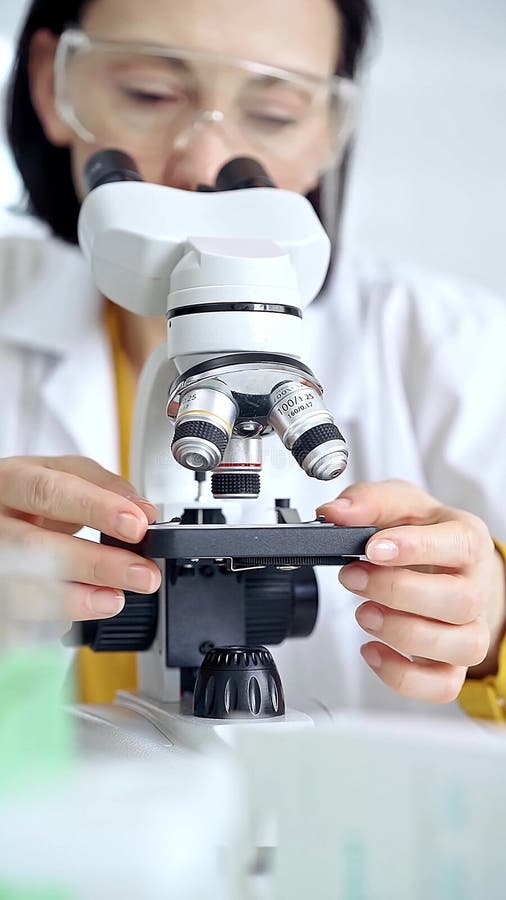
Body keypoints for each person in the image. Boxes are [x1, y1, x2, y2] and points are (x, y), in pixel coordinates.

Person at [2, 0, 506, 718]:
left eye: (272, 113)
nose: (204, 166)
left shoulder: (457, 345)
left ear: (329, 130)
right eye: (150, 93)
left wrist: (493, 626)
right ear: (54, 83)